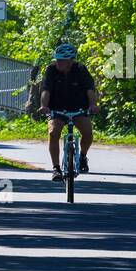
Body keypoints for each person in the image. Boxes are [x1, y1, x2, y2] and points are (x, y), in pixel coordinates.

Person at [40, 44, 98, 181]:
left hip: (78, 109)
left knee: (88, 132)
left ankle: (82, 156)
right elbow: (46, 90)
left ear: (71, 60)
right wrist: (44, 106)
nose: (58, 62)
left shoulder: (80, 70)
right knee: (53, 132)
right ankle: (56, 169)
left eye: (62, 60)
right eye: (57, 59)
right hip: (57, 109)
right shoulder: (51, 70)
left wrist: (93, 105)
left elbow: (89, 89)